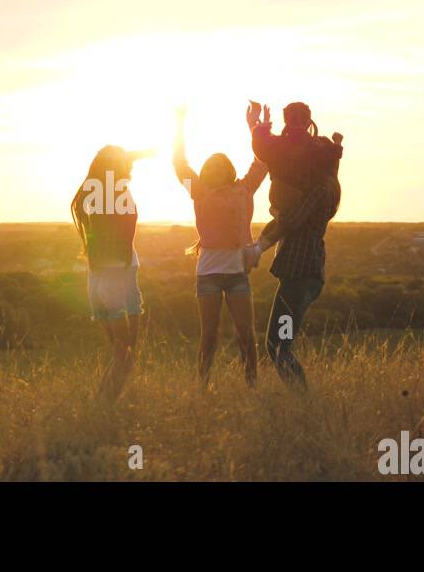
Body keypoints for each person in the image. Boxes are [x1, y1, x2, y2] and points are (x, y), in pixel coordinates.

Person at [245, 101, 343, 388]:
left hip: (301, 275)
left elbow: (290, 221)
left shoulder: (319, 192)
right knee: (277, 344)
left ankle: (302, 400)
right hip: (300, 274)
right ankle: (299, 399)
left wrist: (257, 247)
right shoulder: (323, 186)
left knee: (279, 346)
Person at [172, 106, 266, 388]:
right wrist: (179, 123)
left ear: (229, 171)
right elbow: (179, 163)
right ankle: (203, 386)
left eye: (219, 167)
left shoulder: (244, 188)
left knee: (246, 334)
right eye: (209, 168)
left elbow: (262, 163)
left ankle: (252, 386)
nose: (213, 171)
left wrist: (255, 127)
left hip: (238, 272)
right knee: (209, 335)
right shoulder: (198, 190)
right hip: (209, 274)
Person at [70, 145, 149, 403]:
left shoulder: (91, 195)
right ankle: (101, 407)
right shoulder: (117, 195)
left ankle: (100, 405)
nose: (131, 169)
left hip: (99, 282)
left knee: (120, 352)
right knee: (126, 354)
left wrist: (138, 154)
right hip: (119, 280)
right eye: (127, 164)